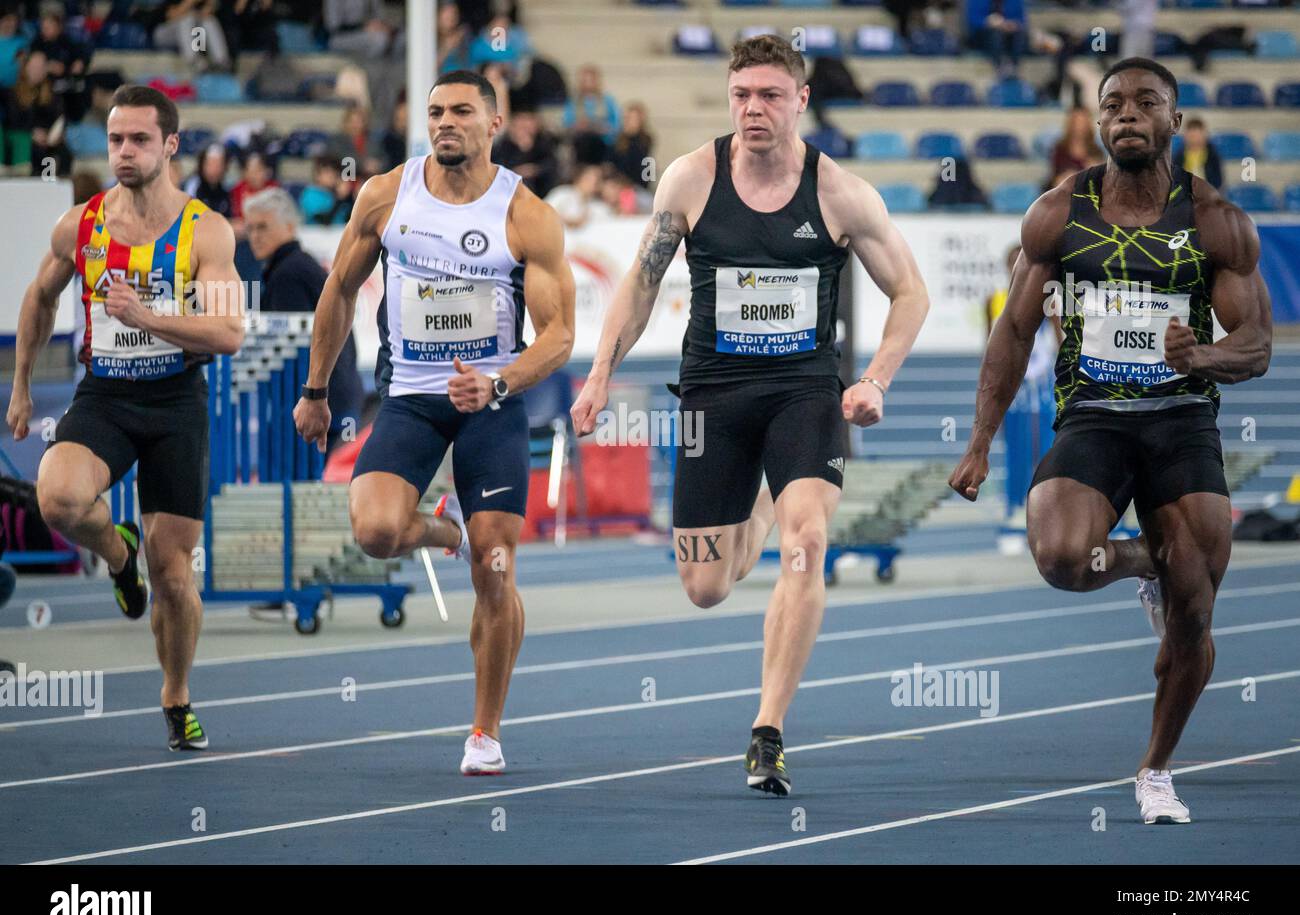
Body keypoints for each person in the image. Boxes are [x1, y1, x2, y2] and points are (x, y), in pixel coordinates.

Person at [570, 34, 930, 796]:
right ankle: (767, 494)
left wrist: (876, 381)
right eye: (741, 96)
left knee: (807, 544)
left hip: (805, 393)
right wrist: (601, 374)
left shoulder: (840, 193)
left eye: (769, 95)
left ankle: (767, 731)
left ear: (801, 99)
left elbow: (911, 293)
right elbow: (638, 284)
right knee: (707, 586)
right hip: (712, 395)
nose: (753, 109)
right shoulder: (691, 179)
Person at [948, 58, 1273, 825]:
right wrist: (979, 441)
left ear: (1175, 122)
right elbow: (1015, 330)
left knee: (1194, 612)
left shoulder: (1217, 222)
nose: (1127, 113)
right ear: (1098, 121)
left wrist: (1204, 357)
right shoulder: (1059, 214)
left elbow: (1256, 345)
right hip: (1094, 413)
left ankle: (1156, 770)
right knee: (1061, 557)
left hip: (1182, 420)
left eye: (1146, 102)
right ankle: (1143, 564)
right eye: (1113, 104)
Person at [294, 70, 576, 776]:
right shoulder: (387, 195)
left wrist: (500, 382)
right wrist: (316, 389)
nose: (445, 122)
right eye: (434, 112)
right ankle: (444, 529)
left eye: (460, 112)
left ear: (494, 122)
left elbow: (560, 335)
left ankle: (484, 731)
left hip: (493, 404)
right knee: (376, 530)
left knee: (496, 568)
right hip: (413, 399)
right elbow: (338, 291)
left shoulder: (527, 215)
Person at [5, 84, 245, 751]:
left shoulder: (206, 229)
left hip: (174, 405)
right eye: (115, 139)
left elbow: (229, 334)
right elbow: (38, 299)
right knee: (55, 500)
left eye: (140, 139)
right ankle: (117, 553)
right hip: (104, 397)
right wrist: (21, 386)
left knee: (174, 576)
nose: (125, 152)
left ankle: (176, 696)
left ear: (170, 145)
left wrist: (147, 318)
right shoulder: (80, 224)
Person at [247, 186, 362, 453]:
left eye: (262, 227)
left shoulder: (288, 273)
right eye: (251, 228)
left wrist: (307, 401)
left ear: (289, 226)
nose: (255, 236)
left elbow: (293, 351)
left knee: (304, 485)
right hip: (336, 395)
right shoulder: (299, 264)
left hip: (318, 403)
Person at [1047, 106, 1103, 189]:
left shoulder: (1096, 150)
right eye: (1077, 122)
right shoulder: (1060, 148)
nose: (1079, 127)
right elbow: (1055, 178)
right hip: (1064, 192)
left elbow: (1100, 177)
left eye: (1083, 122)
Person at [1173, 117, 1222, 190]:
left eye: (1197, 136)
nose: (1194, 141)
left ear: (1204, 136)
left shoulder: (1212, 155)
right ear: (1185, 137)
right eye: (1191, 137)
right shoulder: (1179, 156)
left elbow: (1218, 181)